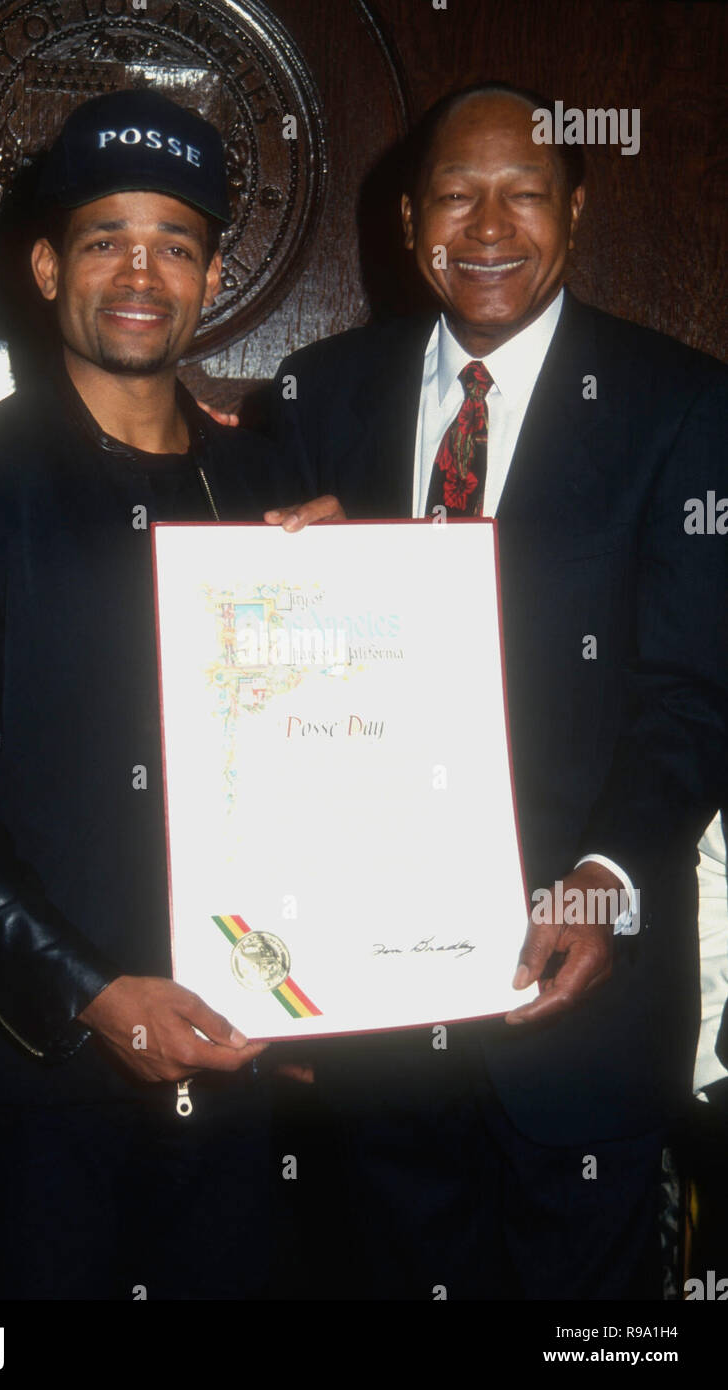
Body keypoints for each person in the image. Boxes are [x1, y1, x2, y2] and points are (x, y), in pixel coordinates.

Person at [0, 87, 334, 1300]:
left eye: (175, 243)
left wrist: (341, 590)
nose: (140, 271)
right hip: (39, 1080)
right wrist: (91, 993)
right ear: (43, 263)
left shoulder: (268, 483)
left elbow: (321, 759)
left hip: (245, 1058)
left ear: (213, 274)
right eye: (105, 237)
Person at [265, 81, 728, 1299]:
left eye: (521, 193)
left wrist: (607, 879)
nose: (486, 226)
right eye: (456, 195)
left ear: (572, 211)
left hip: (578, 1010)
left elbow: (693, 691)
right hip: (371, 1011)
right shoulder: (318, 395)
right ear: (408, 215)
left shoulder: (681, 406)